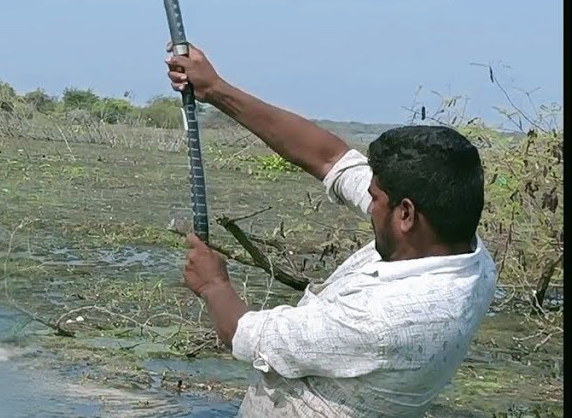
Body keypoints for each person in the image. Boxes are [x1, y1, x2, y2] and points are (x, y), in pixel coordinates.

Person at [165, 44, 498, 417]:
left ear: (406, 214)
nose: (369, 206)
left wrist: (213, 286)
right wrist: (215, 90)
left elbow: (244, 334)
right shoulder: (461, 248)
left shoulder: (382, 319)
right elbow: (329, 158)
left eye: (375, 199)